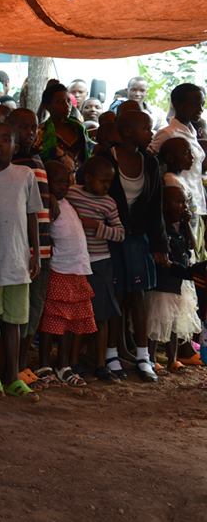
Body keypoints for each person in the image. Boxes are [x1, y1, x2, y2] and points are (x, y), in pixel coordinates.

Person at [96, 110, 168, 383]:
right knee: (115, 297)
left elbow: (155, 207)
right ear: (126, 132)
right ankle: (111, 353)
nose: (150, 133)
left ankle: (142, 355)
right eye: (145, 128)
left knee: (138, 298)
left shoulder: (149, 162)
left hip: (138, 239)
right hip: (110, 239)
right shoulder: (105, 159)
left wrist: (159, 244)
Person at [0, 123, 43, 399]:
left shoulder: (24, 174)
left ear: (16, 147)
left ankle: (12, 375)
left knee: (14, 322)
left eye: (6, 139)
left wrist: (36, 252)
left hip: (17, 260)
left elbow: (32, 216)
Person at [65, 157, 125, 381]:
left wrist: (97, 227)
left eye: (110, 182)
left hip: (100, 262)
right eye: (103, 181)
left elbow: (120, 233)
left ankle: (101, 363)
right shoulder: (72, 194)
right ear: (88, 178)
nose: (106, 186)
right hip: (76, 262)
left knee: (102, 315)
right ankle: (72, 362)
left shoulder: (108, 203)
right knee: (78, 314)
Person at [38, 161, 96, 387]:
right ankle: (43, 364)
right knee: (52, 323)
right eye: (59, 181)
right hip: (60, 270)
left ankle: (63, 365)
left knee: (70, 325)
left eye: (67, 181)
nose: (64, 186)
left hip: (78, 272)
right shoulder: (50, 205)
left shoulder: (66, 203)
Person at [7, 108, 53, 382]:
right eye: (23, 127)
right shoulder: (15, 165)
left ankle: (22, 362)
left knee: (34, 308)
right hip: (23, 248)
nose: (30, 133)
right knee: (20, 310)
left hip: (43, 246)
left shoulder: (36, 160)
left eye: (33, 127)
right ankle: (15, 364)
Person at [147, 184, 205, 372]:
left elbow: (191, 245)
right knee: (157, 322)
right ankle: (150, 357)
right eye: (178, 202)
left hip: (179, 283)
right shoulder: (160, 227)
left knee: (174, 323)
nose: (183, 206)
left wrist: (186, 224)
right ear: (164, 205)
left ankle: (173, 359)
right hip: (163, 283)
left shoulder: (179, 227)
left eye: (185, 202)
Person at [150, 84, 206, 258]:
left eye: (202, 104)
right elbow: (150, 161)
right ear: (177, 104)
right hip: (180, 206)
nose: (200, 109)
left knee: (198, 252)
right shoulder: (168, 133)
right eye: (195, 103)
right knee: (187, 254)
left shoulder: (192, 131)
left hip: (197, 200)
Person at [37, 80, 92, 174]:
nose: (67, 105)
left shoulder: (78, 128)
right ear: (47, 106)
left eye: (68, 101)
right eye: (59, 102)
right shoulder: (42, 132)